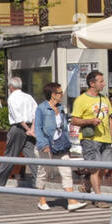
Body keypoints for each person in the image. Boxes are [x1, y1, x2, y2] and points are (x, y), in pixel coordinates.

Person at [35, 82, 86, 212]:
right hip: (47, 145)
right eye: (59, 92)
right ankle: (42, 200)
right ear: (52, 94)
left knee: (66, 172)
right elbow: (38, 129)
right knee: (43, 173)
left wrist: (67, 141)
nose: (62, 94)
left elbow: (63, 128)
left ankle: (72, 201)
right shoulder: (41, 108)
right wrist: (43, 144)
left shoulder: (61, 108)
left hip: (61, 144)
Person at [71, 70, 112, 203]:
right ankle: (98, 198)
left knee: (106, 167)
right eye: (101, 81)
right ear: (92, 83)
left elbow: (110, 118)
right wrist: (89, 121)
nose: (104, 84)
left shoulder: (104, 98)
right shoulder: (81, 99)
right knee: (95, 168)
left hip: (106, 138)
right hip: (90, 139)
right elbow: (74, 120)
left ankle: (87, 184)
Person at [0, 76, 38, 189]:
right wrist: (32, 129)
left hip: (18, 128)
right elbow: (36, 113)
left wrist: (27, 130)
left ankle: (0, 182)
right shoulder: (29, 97)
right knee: (31, 155)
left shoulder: (12, 98)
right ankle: (39, 180)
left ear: (11, 87)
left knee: (10, 155)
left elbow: (18, 118)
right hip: (30, 127)